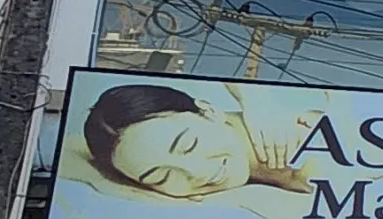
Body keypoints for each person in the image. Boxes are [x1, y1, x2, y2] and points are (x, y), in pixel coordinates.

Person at [81, 81, 320, 200]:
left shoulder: (310, 149)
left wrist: (254, 94)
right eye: (162, 177)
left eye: (188, 145)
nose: (196, 172)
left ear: (209, 111)